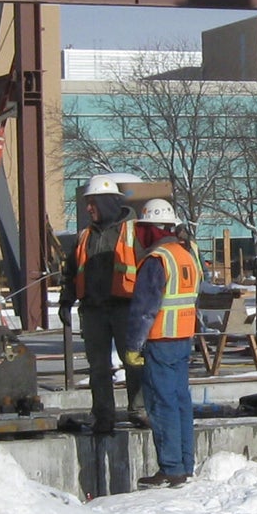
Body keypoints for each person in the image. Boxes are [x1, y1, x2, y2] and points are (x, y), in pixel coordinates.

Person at [120, 199, 201, 489]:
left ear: (151, 229)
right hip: (183, 338)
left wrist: (133, 345)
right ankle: (184, 464)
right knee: (180, 402)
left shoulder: (157, 260)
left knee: (162, 404)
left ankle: (171, 468)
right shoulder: (186, 255)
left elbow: (145, 309)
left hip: (161, 340)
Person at [59, 176, 144, 435]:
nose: (88, 208)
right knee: (98, 367)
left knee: (134, 362)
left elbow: (150, 269)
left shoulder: (134, 232)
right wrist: (66, 300)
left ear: (107, 202)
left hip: (126, 308)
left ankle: (139, 410)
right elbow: (71, 271)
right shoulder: (85, 236)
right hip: (94, 310)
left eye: (92, 203)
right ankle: (103, 416)